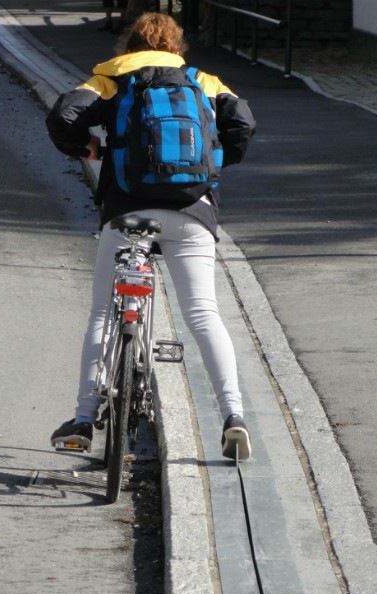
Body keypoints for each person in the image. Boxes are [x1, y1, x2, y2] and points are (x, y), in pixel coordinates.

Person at [45, 13, 257, 460]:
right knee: (203, 315)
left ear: (131, 43)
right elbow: (243, 124)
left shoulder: (112, 76)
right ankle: (233, 417)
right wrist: (212, 166)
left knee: (104, 313)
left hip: (127, 210)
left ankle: (84, 418)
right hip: (193, 212)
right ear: (177, 45)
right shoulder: (204, 80)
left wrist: (90, 149)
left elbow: (64, 115)